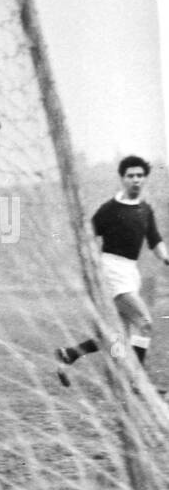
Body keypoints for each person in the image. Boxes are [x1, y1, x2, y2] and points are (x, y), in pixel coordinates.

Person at [55, 155, 167, 385]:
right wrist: (92, 265)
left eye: (140, 176)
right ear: (122, 179)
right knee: (145, 322)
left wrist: (166, 258)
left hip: (129, 272)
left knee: (118, 335)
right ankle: (136, 380)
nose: (135, 180)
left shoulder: (145, 209)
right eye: (130, 176)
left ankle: (71, 354)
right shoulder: (109, 209)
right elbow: (86, 236)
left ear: (145, 179)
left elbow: (154, 239)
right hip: (111, 270)